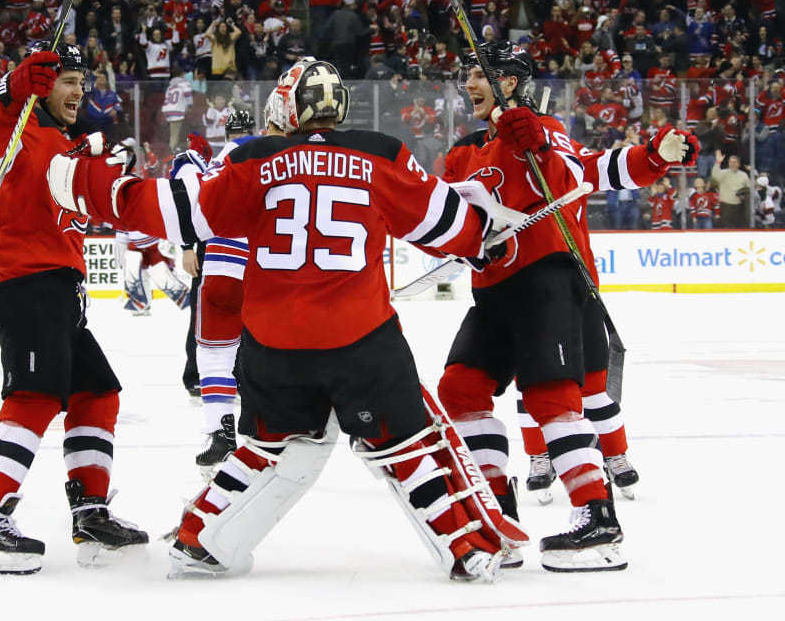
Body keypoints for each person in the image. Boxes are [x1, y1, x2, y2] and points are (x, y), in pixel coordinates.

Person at [48, 57, 524, 582]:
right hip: (359, 338)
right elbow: (446, 222)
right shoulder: (380, 153)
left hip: (273, 345)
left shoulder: (254, 158)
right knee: (408, 445)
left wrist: (94, 184)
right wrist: (484, 234)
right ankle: (467, 547)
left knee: (266, 448)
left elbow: (179, 213)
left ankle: (200, 539)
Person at [435, 41, 696, 572]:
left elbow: (588, 174)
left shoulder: (543, 132)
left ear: (509, 83)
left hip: (549, 279)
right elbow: (445, 221)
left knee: (552, 397)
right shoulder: (463, 151)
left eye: (480, 76)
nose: (469, 84)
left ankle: (597, 519)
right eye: (465, 75)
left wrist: (653, 154)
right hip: (493, 290)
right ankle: (497, 515)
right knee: (459, 390)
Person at [0, 41, 149, 574]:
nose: (79, 91)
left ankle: (90, 511)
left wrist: (116, 174)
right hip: (21, 278)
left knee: (97, 392)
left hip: (60, 284)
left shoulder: (66, 143)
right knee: (36, 391)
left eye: (81, 82)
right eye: (68, 81)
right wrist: (10, 89)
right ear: (43, 87)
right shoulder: (19, 128)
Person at [180, 103, 283, 478]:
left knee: (213, 357)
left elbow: (190, 208)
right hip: (267, 270)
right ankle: (265, 430)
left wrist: (187, 247)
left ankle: (221, 432)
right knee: (264, 354)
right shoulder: (276, 153)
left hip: (222, 266)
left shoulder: (212, 162)